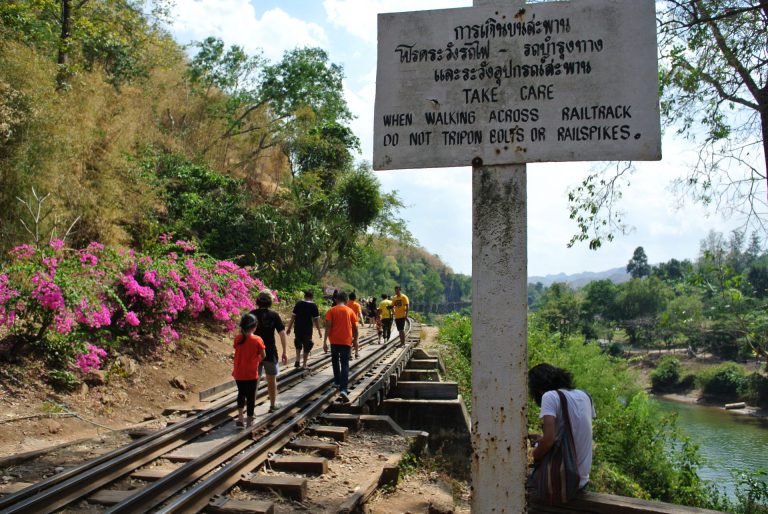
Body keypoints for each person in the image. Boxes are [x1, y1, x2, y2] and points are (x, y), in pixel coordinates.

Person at [528, 363, 595, 493]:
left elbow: (549, 440)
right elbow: (577, 432)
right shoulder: (586, 395)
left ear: (538, 388)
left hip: (562, 482)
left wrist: (535, 454)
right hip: (581, 481)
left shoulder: (549, 396)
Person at [250, 291, 288, 412]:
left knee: (254, 381)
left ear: (258, 301)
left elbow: (245, 334)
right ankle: (272, 405)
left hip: (254, 353)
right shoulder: (274, 315)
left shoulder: (251, 315)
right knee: (271, 379)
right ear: (270, 301)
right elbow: (282, 334)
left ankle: (251, 409)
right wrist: (284, 351)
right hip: (270, 352)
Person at [323, 291, 359, 403]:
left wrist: (324, 341)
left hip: (334, 341)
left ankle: (337, 381)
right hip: (346, 341)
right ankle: (344, 389)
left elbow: (328, 327)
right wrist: (356, 340)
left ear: (336, 299)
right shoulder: (350, 311)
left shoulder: (331, 310)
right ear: (347, 300)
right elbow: (355, 327)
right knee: (345, 364)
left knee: (334, 360)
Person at [232, 313, 266, 428]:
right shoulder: (257, 340)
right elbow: (263, 355)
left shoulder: (238, 338)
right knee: (251, 396)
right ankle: (250, 419)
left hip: (239, 372)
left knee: (241, 393)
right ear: (254, 327)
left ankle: (240, 417)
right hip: (251, 373)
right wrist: (256, 360)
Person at [285, 290, 323, 370]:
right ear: (312, 297)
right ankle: (304, 364)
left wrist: (289, 328)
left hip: (298, 327)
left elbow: (293, 317)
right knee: (307, 344)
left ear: (304, 296)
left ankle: (297, 360)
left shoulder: (298, 303)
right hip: (307, 329)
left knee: (298, 343)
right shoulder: (313, 305)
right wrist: (319, 331)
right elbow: (316, 320)